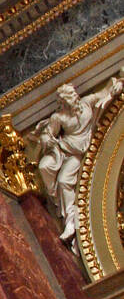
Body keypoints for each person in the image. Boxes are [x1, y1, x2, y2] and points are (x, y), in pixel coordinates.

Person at [36, 76, 124, 241]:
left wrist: (118, 84)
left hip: (83, 149)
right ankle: (70, 220)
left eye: (72, 98)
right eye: (66, 100)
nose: (71, 102)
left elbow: (105, 92)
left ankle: (70, 219)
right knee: (54, 175)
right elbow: (48, 135)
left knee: (64, 180)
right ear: (62, 103)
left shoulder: (85, 103)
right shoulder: (59, 117)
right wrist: (47, 140)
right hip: (69, 152)